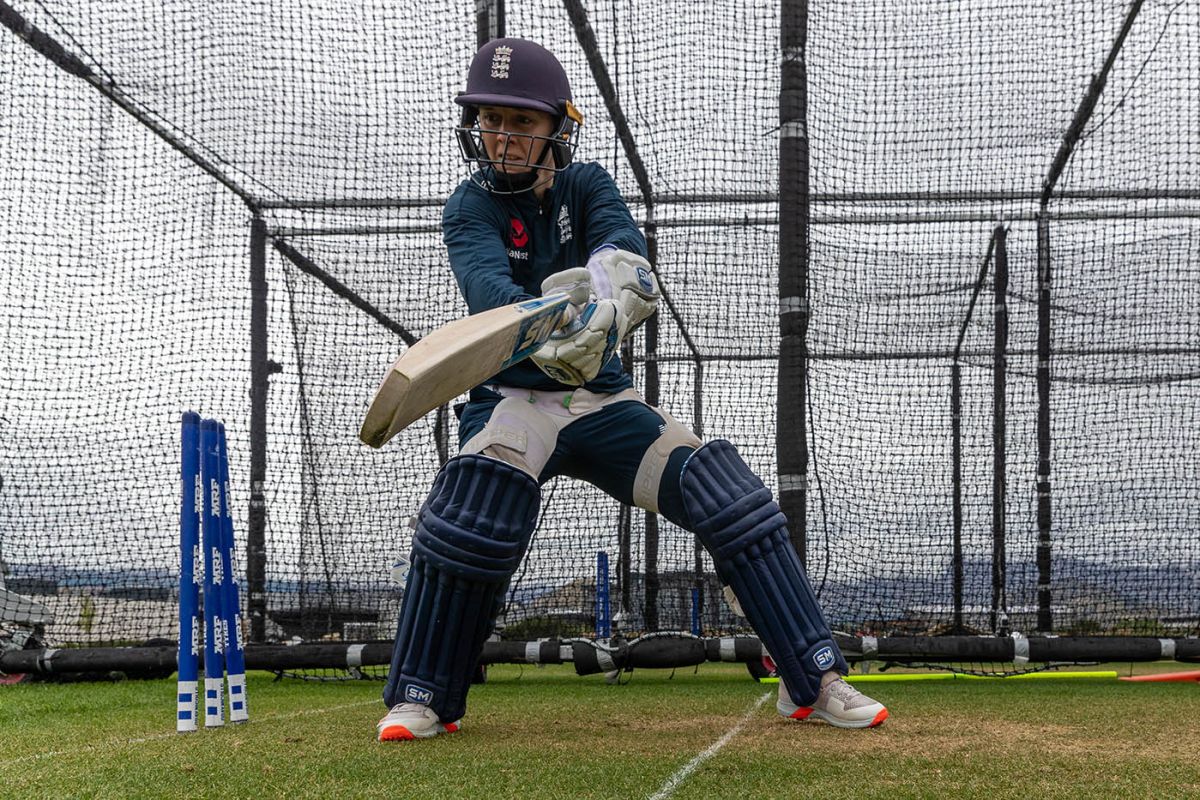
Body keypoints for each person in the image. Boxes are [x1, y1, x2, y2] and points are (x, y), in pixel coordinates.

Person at [377, 38, 888, 741]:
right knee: (471, 512)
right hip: (515, 400)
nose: (504, 137)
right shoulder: (468, 207)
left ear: (557, 125)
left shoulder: (587, 185)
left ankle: (815, 679)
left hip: (604, 398)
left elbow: (620, 249)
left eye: (521, 122)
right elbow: (489, 293)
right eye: (492, 120)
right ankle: (422, 696)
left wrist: (611, 304)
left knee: (728, 495)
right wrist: (554, 328)